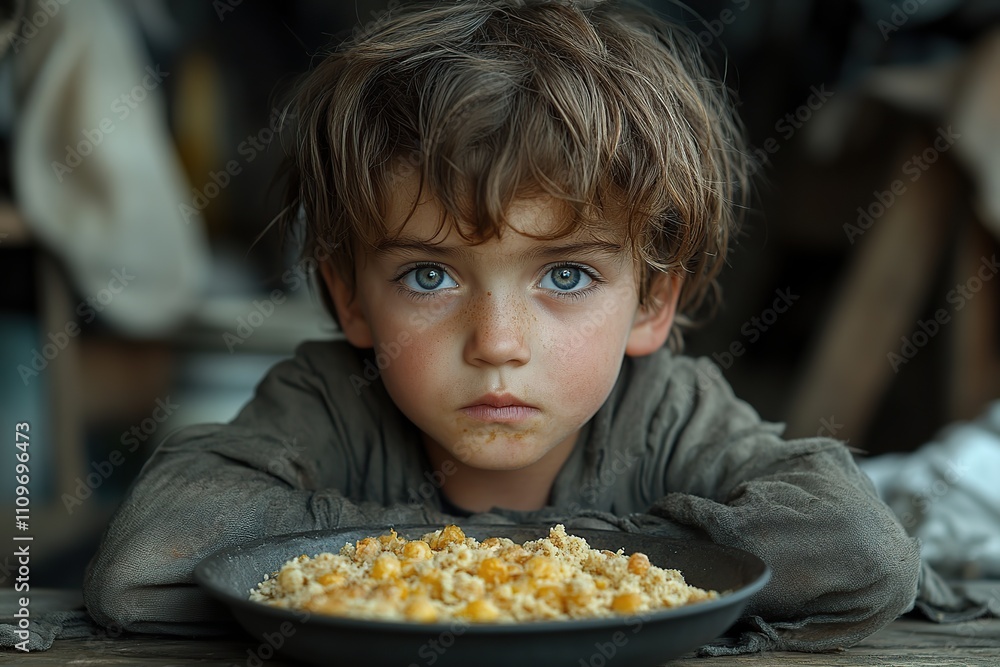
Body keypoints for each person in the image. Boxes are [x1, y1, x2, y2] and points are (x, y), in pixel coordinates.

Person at [83, 0, 922, 654]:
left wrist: (556, 560)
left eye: (566, 275)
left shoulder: (670, 411)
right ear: (351, 300)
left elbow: (861, 552)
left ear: (651, 303)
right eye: (430, 276)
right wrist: (463, 559)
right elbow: (143, 562)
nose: (497, 342)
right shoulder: (331, 399)